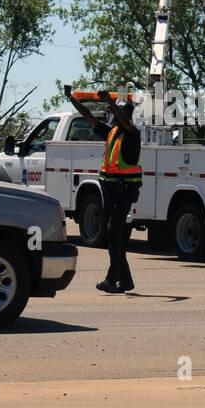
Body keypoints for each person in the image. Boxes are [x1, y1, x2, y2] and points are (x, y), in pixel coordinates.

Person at [65, 85, 142, 294]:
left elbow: (124, 120)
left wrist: (109, 101)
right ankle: (125, 281)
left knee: (113, 234)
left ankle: (112, 279)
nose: (114, 116)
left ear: (125, 115)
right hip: (109, 191)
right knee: (114, 238)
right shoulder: (113, 132)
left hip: (123, 192)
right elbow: (90, 117)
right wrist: (72, 99)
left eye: (118, 112)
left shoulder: (132, 133)